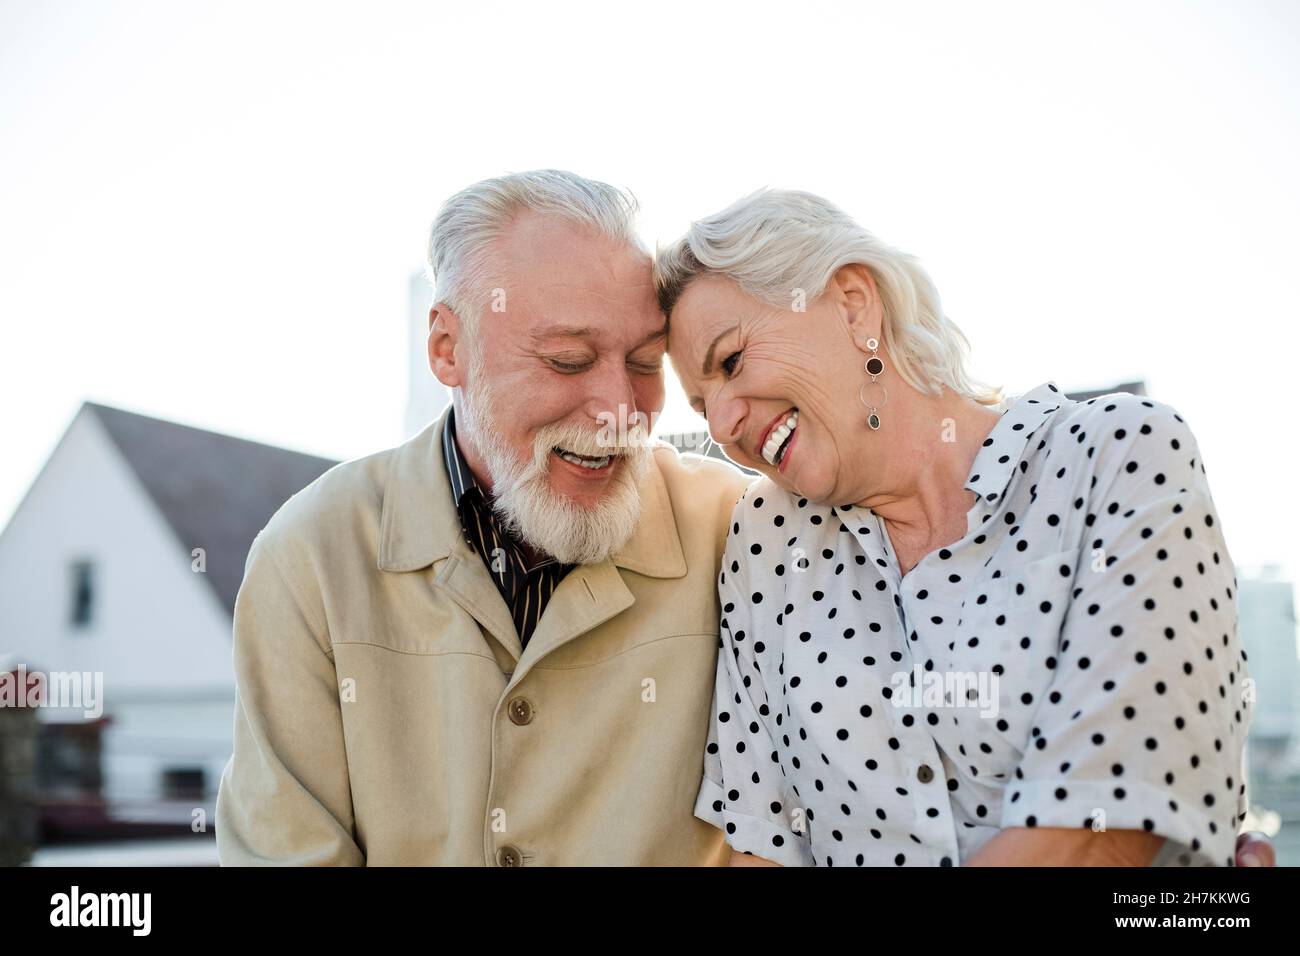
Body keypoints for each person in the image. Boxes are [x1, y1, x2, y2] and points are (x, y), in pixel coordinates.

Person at [658, 188, 1259, 866]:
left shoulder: (1119, 453)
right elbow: (757, 845)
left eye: (732, 362)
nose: (721, 426)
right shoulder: (765, 540)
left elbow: (1101, 829)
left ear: (854, 303)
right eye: (703, 405)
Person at [216, 170, 749, 865]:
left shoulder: (737, 532)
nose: (619, 409)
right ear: (447, 348)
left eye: (646, 361)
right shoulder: (310, 555)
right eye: (569, 359)